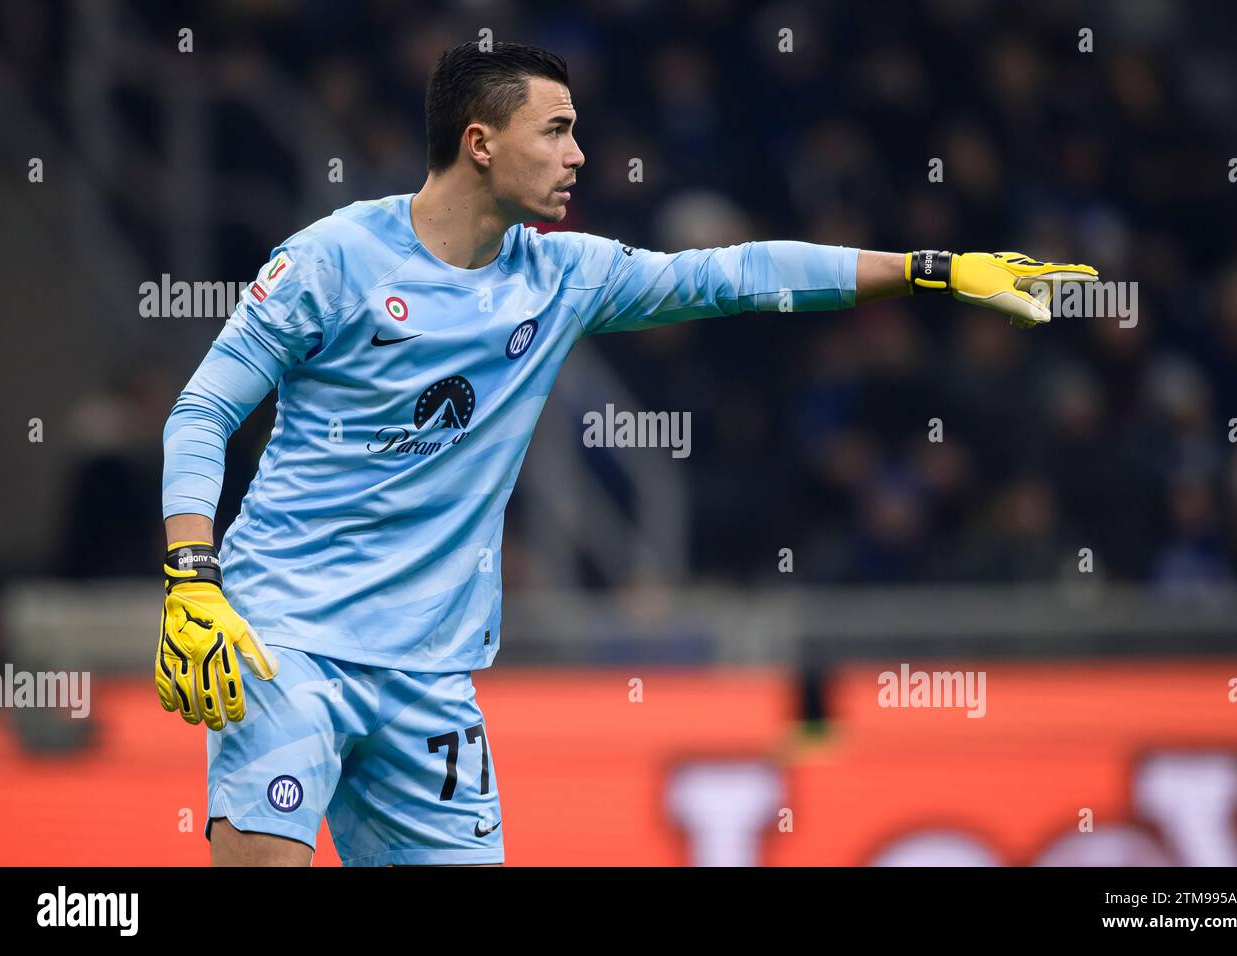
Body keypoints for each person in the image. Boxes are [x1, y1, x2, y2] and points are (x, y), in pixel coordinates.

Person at [157, 40, 1097, 866]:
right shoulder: (334, 258)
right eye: (555, 131)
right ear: (480, 144)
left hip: (430, 673)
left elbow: (737, 273)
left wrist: (932, 270)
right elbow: (200, 413)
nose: (577, 156)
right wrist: (193, 578)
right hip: (284, 643)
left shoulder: (561, 275)